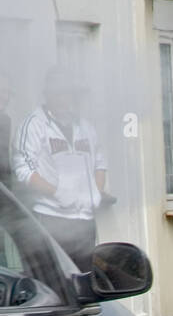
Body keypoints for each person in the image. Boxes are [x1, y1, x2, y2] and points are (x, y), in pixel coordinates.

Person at [12, 67, 106, 271]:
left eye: (67, 92)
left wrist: (96, 193)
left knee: (84, 278)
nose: (64, 98)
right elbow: (24, 169)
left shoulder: (86, 127)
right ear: (48, 94)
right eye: (58, 92)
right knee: (57, 280)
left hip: (84, 222)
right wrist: (57, 192)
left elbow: (100, 164)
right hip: (50, 219)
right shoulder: (33, 125)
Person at [0, 72, 12, 191]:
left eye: (7, 92)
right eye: (1, 91)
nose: (4, 97)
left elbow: (4, 164)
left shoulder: (5, 120)